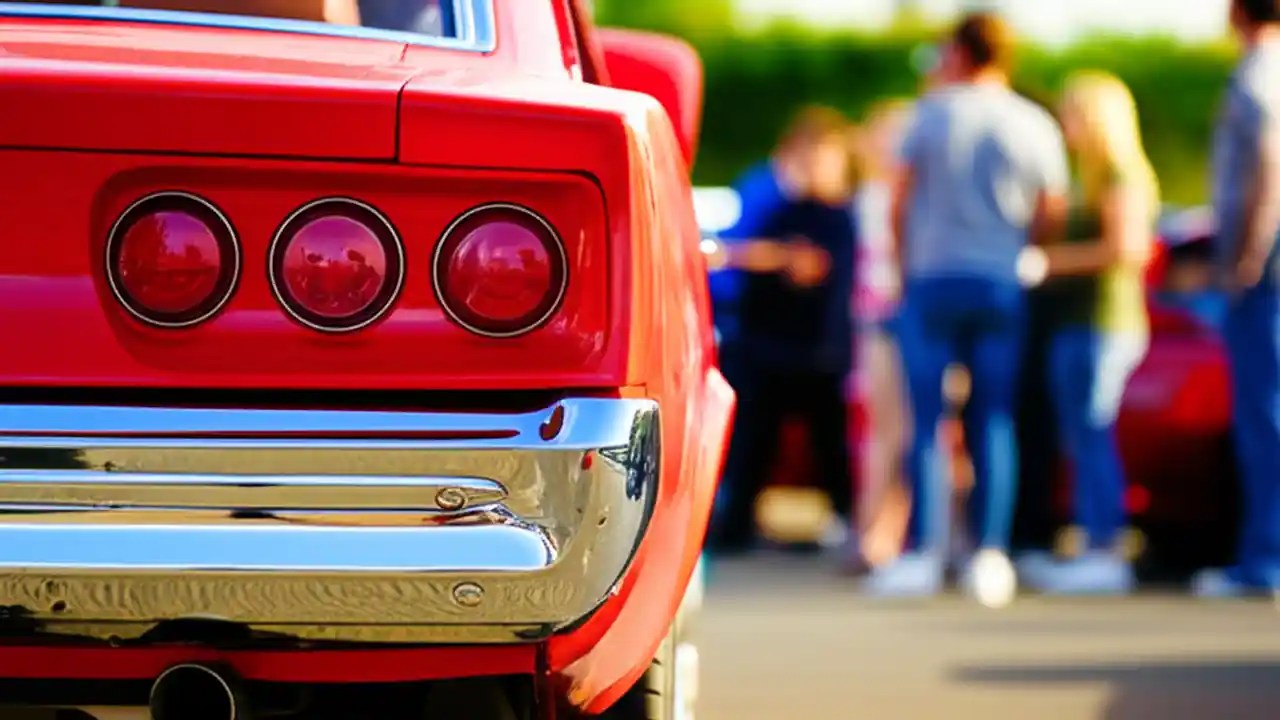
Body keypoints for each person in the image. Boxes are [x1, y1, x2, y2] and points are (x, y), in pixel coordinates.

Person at [864, 12, 1070, 605]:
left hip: (932, 280)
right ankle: (989, 554)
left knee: (929, 421)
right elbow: (1051, 204)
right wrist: (1023, 247)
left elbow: (898, 200)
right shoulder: (1033, 122)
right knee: (995, 419)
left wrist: (903, 268)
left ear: (958, 52)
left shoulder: (929, 114)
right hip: (1000, 280)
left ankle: (928, 553)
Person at [1016, 72, 1159, 595]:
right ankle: (1095, 543)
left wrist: (1044, 262)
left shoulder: (1121, 173)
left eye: (1073, 114)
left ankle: (1104, 547)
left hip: (1102, 321)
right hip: (1082, 323)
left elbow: (1126, 249)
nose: (1065, 125)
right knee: (1081, 436)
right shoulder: (1092, 175)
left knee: (1091, 434)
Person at [709, 111, 859, 555]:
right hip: (768, 349)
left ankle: (848, 520)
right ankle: (737, 526)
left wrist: (761, 257)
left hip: (820, 352)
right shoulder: (779, 212)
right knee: (754, 444)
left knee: (830, 448)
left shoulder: (840, 219)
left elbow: (808, 267)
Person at [1193, 0, 1280, 597]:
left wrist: (1249, 252)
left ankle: (1265, 558)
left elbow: (1268, 162)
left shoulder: (1257, 74)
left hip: (1266, 271)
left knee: (1264, 415)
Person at [851, 99, 915, 569]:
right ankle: (875, 533)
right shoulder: (874, 196)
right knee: (890, 433)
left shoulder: (888, 196)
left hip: (896, 319)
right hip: (883, 321)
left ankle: (889, 532)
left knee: (912, 433)